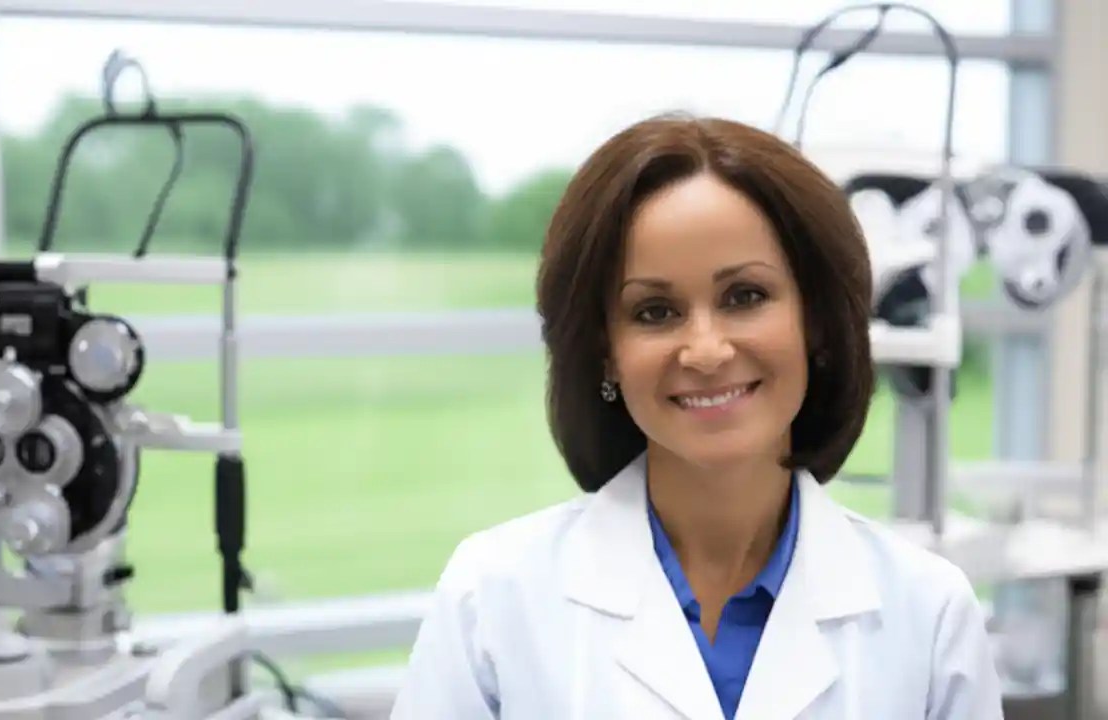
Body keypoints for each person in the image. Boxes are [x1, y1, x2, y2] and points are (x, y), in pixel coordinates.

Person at [389, 113, 1003, 720]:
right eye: (655, 312)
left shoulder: (930, 615)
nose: (706, 351)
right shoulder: (493, 598)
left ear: (814, 322)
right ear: (606, 351)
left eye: (745, 297)